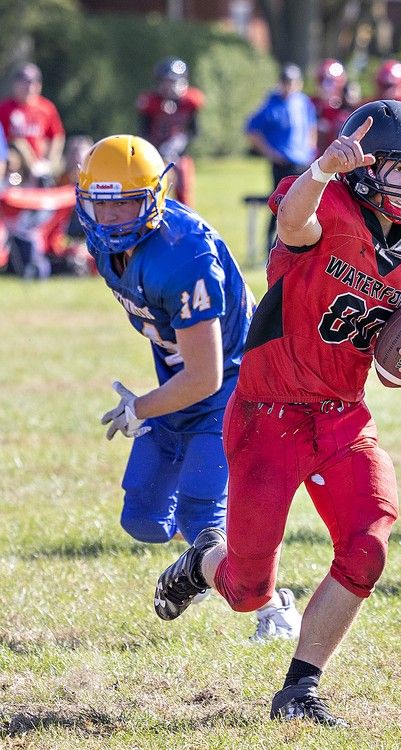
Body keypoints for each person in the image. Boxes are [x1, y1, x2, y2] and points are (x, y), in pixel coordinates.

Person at [153, 100, 401, 726]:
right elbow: (295, 221)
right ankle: (202, 559)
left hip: (343, 416)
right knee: (247, 592)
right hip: (269, 415)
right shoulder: (323, 208)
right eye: (400, 170)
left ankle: (300, 690)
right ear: (364, 168)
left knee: (368, 543)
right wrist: (323, 168)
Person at [76, 134, 300, 638]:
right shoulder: (103, 242)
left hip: (235, 385)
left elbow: (206, 374)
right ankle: (206, 566)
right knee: (145, 518)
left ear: (153, 197)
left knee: (203, 512)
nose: (111, 220)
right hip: (179, 382)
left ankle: (274, 605)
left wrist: (144, 407)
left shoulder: (184, 257)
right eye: (101, 205)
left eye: (126, 203)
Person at [0, 63, 66, 279]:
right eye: (25, 82)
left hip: (42, 170)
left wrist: (50, 160)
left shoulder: (46, 108)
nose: (29, 87)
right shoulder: (6, 109)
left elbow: (56, 136)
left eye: (34, 82)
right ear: (15, 84)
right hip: (16, 171)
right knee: (18, 147)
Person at [245, 63, 317, 244]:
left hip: (303, 162)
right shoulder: (272, 103)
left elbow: (311, 127)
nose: (289, 85)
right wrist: (270, 153)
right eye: (285, 81)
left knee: (306, 203)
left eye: (292, 81)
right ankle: (273, 243)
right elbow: (252, 130)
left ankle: (300, 241)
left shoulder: (303, 102)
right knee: (281, 203)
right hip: (282, 163)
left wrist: (311, 149)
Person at [136, 57, 204, 206]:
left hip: (179, 155)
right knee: (153, 192)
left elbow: (193, 132)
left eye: (173, 81)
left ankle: (185, 221)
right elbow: (144, 133)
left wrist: (178, 146)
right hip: (154, 154)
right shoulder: (151, 102)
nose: (169, 86)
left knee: (183, 182)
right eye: (166, 81)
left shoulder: (189, 101)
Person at [312, 58, 355, 154]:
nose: (325, 86)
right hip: (311, 162)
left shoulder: (345, 111)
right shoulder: (310, 105)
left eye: (330, 82)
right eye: (322, 81)